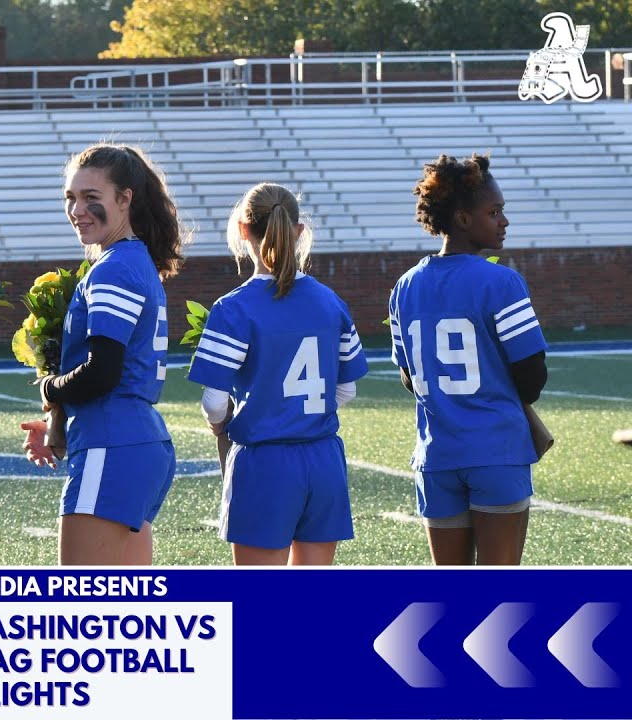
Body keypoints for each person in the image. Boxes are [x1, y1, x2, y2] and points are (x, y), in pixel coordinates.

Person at [186, 183, 368, 566]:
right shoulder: (330, 301)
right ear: (299, 232)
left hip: (265, 464)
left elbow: (214, 402)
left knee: (261, 608)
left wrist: (220, 426)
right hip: (324, 461)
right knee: (309, 607)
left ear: (242, 229)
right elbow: (346, 389)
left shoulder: (233, 308)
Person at [20, 144, 185, 566]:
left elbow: (102, 373)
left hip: (112, 444)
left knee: (84, 609)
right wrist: (60, 420)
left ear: (125, 198)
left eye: (92, 198)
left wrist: (50, 388)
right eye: (71, 199)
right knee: (128, 609)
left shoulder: (114, 267)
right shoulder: (131, 260)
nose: (78, 210)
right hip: (134, 441)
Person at [390, 153, 547, 565]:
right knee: (496, 591)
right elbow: (532, 378)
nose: (503, 221)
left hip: (436, 454)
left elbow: (409, 377)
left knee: (453, 591)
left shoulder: (404, 287)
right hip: (496, 450)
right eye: (494, 212)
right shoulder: (502, 282)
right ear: (462, 219)